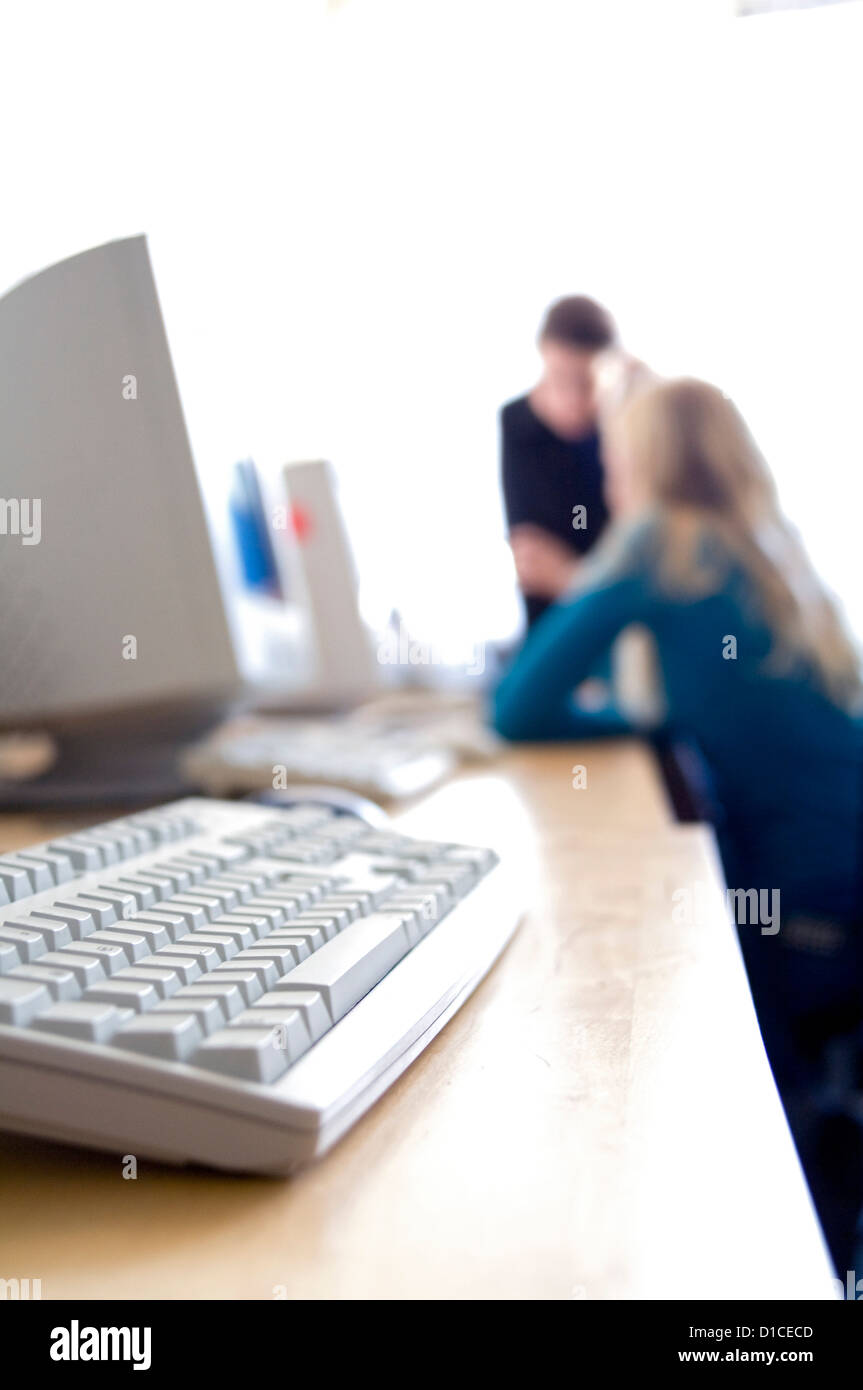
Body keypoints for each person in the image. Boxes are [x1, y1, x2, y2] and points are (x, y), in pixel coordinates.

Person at [492, 376, 863, 1271]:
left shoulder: (658, 540)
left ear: (641, 464)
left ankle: (801, 1184)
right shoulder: (769, 547)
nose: (609, 480)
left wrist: (648, 723)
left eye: (616, 459)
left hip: (820, 914)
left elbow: (518, 705)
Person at [501, 295, 616, 628]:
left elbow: (639, 565)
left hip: (614, 630)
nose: (575, 401)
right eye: (561, 379)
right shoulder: (518, 425)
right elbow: (531, 561)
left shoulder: (623, 427)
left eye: (588, 384)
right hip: (551, 627)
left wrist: (570, 576)